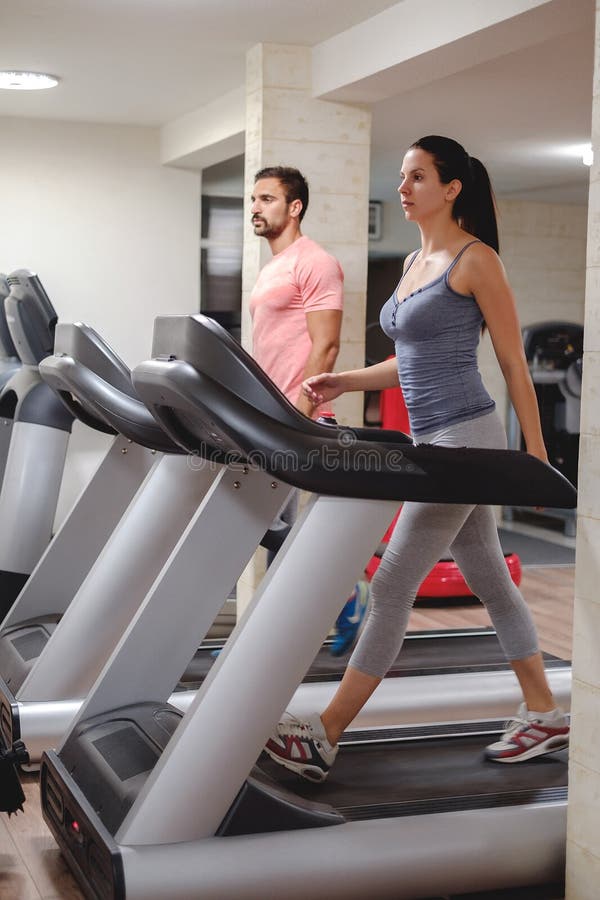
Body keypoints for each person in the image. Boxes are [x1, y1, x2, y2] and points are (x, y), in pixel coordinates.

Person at [264, 136, 570, 781]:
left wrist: (534, 455)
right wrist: (347, 381)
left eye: (417, 177)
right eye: (403, 177)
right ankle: (545, 708)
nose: (403, 187)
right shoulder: (413, 260)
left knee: (395, 580)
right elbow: (411, 362)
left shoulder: (475, 259)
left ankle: (325, 733)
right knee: (489, 575)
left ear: (452, 187)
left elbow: (512, 361)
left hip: (467, 437)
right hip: (431, 438)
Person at [249, 165, 369, 655]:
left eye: (267, 199)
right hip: (270, 414)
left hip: (300, 418)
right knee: (267, 524)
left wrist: (298, 413)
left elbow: (326, 346)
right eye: (253, 200)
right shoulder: (271, 268)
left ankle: (328, 605)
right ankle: (334, 601)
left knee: (268, 521)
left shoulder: (315, 262)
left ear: (294, 207)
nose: (255, 208)